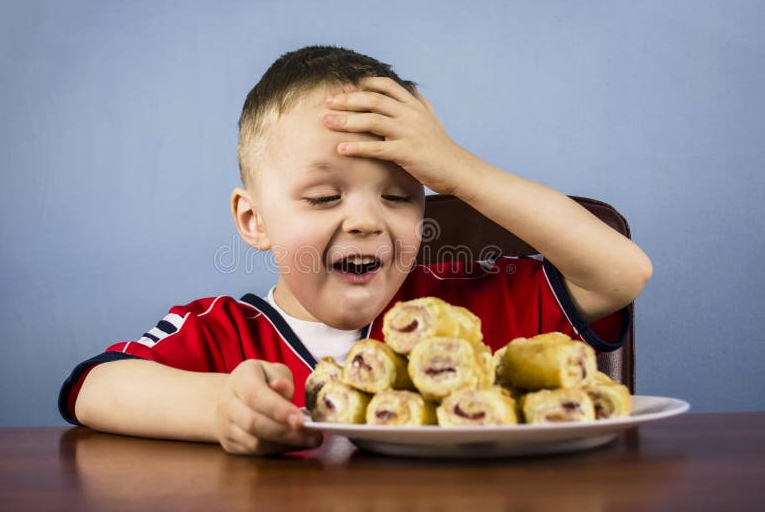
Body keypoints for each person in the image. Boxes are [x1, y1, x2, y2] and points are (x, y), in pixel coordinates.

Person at [59, 45, 652, 455]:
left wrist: (460, 171)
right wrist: (221, 407)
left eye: (399, 196)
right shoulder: (223, 333)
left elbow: (623, 274)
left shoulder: (471, 307)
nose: (367, 220)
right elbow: (92, 389)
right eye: (323, 197)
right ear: (253, 219)